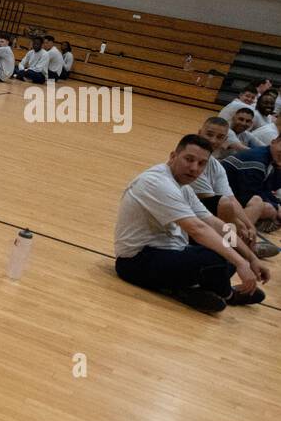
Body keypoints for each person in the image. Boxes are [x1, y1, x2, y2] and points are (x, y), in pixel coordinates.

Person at [114, 134, 269, 312]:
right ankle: (228, 295)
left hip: (169, 252)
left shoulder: (184, 186)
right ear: (173, 156)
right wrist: (241, 263)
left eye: (201, 163)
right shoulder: (156, 182)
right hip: (135, 262)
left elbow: (214, 223)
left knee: (229, 247)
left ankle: (188, 289)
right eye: (189, 159)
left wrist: (250, 258)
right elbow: (197, 229)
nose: (194, 168)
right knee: (217, 258)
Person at [191, 116, 278, 258]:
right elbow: (212, 200)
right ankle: (237, 247)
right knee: (225, 206)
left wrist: (249, 226)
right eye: (209, 134)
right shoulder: (193, 161)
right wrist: (238, 224)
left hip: (206, 209)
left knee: (245, 205)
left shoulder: (215, 165)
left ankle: (237, 245)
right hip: (186, 212)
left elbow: (231, 198)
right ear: (199, 133)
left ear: (224, 141)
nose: (213, 140)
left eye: (219, 137)